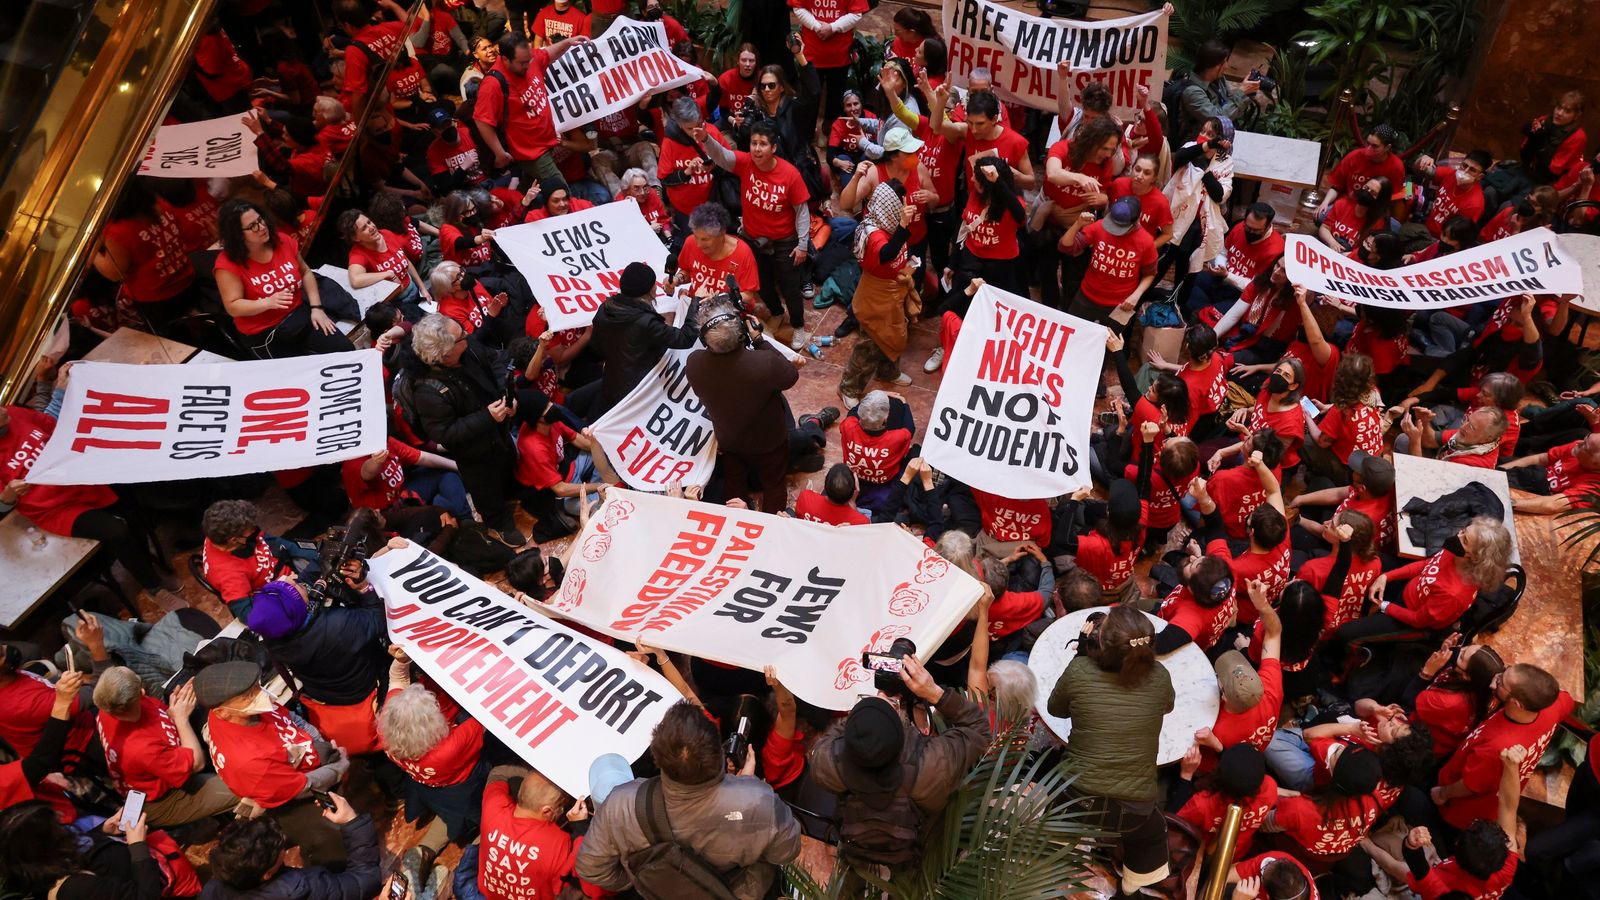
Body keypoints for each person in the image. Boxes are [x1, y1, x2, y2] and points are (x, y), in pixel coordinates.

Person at [575, 700, 802, 897]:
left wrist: (645, 879)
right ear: (720, 754)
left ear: (657, 759)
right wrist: (747, 788)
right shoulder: (760, 802)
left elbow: (591, 868)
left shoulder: (620, 804)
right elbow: (786, 851)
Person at [809, 652, 991, 867]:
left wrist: (867, 715)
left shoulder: (826, 763)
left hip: (857, 848)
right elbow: (980, 731)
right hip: (921, 852)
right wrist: (935, 694)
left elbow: (835, 737)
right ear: (900, 735)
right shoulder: (931, 765)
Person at [1047, 605, 1174, 895]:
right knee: (1152, 835)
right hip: (1134, 812)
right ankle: (1131, 888)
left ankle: (1057, 862)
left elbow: (1056, 709)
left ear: (1101, 644)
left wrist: (1081, 655)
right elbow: (1167, 705)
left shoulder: (1081, 669)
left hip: (1075, 797)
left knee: (1056, 805)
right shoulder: (1160, 677)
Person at [192, 660, 351, 868]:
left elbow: (290, 719)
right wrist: (338, 767)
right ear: (223, 712)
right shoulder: (248, 760)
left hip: (303, 766)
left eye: (256, 686)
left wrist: (318, 743)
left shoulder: (244, 710)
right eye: (248, 695)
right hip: (292, 798)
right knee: (328, 840)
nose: (260, 694)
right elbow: (302, 786)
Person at [694, 119, 814, 348]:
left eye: (763, 144)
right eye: (753, 143)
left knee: (790, 288)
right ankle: (777, 312)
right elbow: (722, 156)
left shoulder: (790, 174)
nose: (757, 149)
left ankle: (798, 325)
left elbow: (802, 212)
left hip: (784, 243)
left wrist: (803, 245)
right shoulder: (745, 163)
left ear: (774, 147)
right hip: (752, 239)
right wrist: (706, 139)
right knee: (762, 285)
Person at [410, 314, 526, 547]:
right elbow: (444, 433)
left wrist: (508, 395)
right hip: (474, 451)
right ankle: (498, 523)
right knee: (487, 490)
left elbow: (495, 360)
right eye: (461, 335)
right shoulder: (427, 390)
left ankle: (513, 494)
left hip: (499, 430)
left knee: (508, 465)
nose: (468, 334)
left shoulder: (467, 346)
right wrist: (487, 417)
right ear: (446, 353)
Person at [685, 298, 802, 512]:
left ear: (705, 340)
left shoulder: (694, 363)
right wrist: (759, 340)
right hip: (769, 441)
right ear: (741, 332)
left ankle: (735, 522)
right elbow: (791, 376)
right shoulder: (764, 363)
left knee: (734, 481)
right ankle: (771, 525)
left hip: (730, 439)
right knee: (774, 483)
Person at [1433, 663, 1574, 830]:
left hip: (1457, 807)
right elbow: (1568, 700)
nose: (1494, 681)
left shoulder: (1497, 748)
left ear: (1517, 703)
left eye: (1501, 682)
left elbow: (1470, 786)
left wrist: (1443, 793)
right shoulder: (1552, 706)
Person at [93, 669, 239, 827]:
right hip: (166, 799)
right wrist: (181, 719)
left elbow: (158, 724)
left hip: (166, 768)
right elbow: (197, 763)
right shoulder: (140, 749)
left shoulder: (109, 708)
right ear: (141, 693)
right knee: (244, 787)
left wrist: (175, 710)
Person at [1336, 517, 1513, 645]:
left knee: (1344, 634)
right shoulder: (1454, 552)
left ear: (1474, 557)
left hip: (1411, 622)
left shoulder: (1454, 594)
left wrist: (1384, 606)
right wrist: (1386, 576)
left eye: (1465, 540)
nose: (1458, 536)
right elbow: (1428, 565)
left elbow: (1418, 620)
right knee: (1372, 560)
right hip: (1410, 593)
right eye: (1463, 531)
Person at [214, 199, 354, 358]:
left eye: (260, 220)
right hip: (265, 333)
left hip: (298, 317)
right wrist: (267, 302)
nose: (261, 227)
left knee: (346, 351)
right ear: (237, 235)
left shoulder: (282, 240)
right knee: (299, 375)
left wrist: (317, 308)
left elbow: (306, 272)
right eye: (252, 226)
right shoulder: (227, 264)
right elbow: (233, 306)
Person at [201, 792, 382, 899]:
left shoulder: (211, 890)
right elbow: (365, 880)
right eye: (279, 849)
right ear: (267, 874)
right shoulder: (304, 887)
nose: (284, 846)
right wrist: (352, 821)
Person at [583, 261, 700, 419]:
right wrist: (695, 303)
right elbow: (684, 339)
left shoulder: (605, 308)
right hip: (641, 392)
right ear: (650, 289)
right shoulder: (646, 322)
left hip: (612, 382)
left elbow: (596, 347)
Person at [472, 32, 591, 185]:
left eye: (528, 60)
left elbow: (546, 54)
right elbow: (481, 120)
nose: (528, 65)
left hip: (550, 139)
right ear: (506, 59)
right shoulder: (492, 84)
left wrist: (568, 42)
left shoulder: (529, 58)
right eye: (522, 63)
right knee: (560, 193)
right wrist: (499, 153)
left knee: (540, 191)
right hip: (532, 152)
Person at [839, 180, 919, 405]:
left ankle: (888, 371)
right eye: (900, 201)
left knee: (894, 333)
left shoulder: (891, 223)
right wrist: (904, 226)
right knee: (871, 343)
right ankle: (849, 388)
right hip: (875, 296)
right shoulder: (874, 233)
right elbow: (886, 255)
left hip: (894, 292)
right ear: (890, 205)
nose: (904, 205)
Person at [459, 764, 589, 899]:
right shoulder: (559, 841)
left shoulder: (493, 806)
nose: (561, 810)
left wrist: (530, 778)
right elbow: (573, 881)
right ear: (546, 810)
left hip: (486, 894)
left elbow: (498, 772)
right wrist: (580, 826)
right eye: (560, 806)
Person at [0, 798, 162, 900]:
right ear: (44, 847)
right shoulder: (75, 889)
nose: (64, 825)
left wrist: (103, 831)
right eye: (57, 826)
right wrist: (137, 846)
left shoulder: (54, 862)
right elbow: (145, 895)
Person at [1059, 196, 1157, 327]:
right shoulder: (1099, 227)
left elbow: (1150, 273)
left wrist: (1136, 295)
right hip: (1087, 295)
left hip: (1120, 305)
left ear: (1136, 221)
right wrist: (1077, 224)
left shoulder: (1146, 242)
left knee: (1111, 344)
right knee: (1072, 332)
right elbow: (1065, 247)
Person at [339, 208, 429, 319]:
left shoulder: (386, 234)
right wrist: (387, 274)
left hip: (414, 289)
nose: (371, 227)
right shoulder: (358, 254)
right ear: (355, 238)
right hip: (399, 304)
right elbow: (355, 280)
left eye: (369, 222)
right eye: (364, 228)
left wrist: (422, 288)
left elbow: (406, 261)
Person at [1172, 40, 1264, 146]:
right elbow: (1218, 120)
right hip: (1200, 146)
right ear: (1210, 66)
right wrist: (1242, 92)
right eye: (1223, 62)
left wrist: (1248, 92)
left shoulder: (1218, 79)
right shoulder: (1192, 92)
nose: (1226, 66)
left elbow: (1230, 103)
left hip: (1224, 137)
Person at [790, 0, 867, 126]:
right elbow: (798, 7)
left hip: (840, 55)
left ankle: (831, 133)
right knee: (809, 99)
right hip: (811, 54)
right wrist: (817, 27)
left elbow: (857, 13)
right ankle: (807, 137)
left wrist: (832, 28)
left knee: (836, 100)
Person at [674, 202, 761, 312]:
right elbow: (687, 271)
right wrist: (677, 279)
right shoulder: (690, 242)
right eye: (696, 237)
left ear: (721, 233)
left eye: (705, 239)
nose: (699, 245)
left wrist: (718, 298)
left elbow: (748, 296)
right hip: (697, 309)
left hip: (729, 314)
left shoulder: (743, 254)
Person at [1315, 124, 1407, 221]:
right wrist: (1325, 202)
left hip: (1373, 212)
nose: (1369, 149)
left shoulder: (1396, 166)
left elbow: (1396, 198)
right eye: (1368, 144)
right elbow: (1336, 186)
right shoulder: (1354, 156)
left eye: (1375, 146)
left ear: (1387, 148)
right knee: (1320, 216)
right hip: (1348, 205)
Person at [1504, 432, 1600, 514]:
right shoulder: (1578, 448)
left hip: (1539, 493)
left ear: (1595, 463)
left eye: (1585, 445)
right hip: (1530, 473)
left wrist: (1506, 504)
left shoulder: (1594, 487)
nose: (1579, 443)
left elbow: (1553, 504)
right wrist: (1500, 470)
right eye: (1586, 438)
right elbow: (1541, 459)